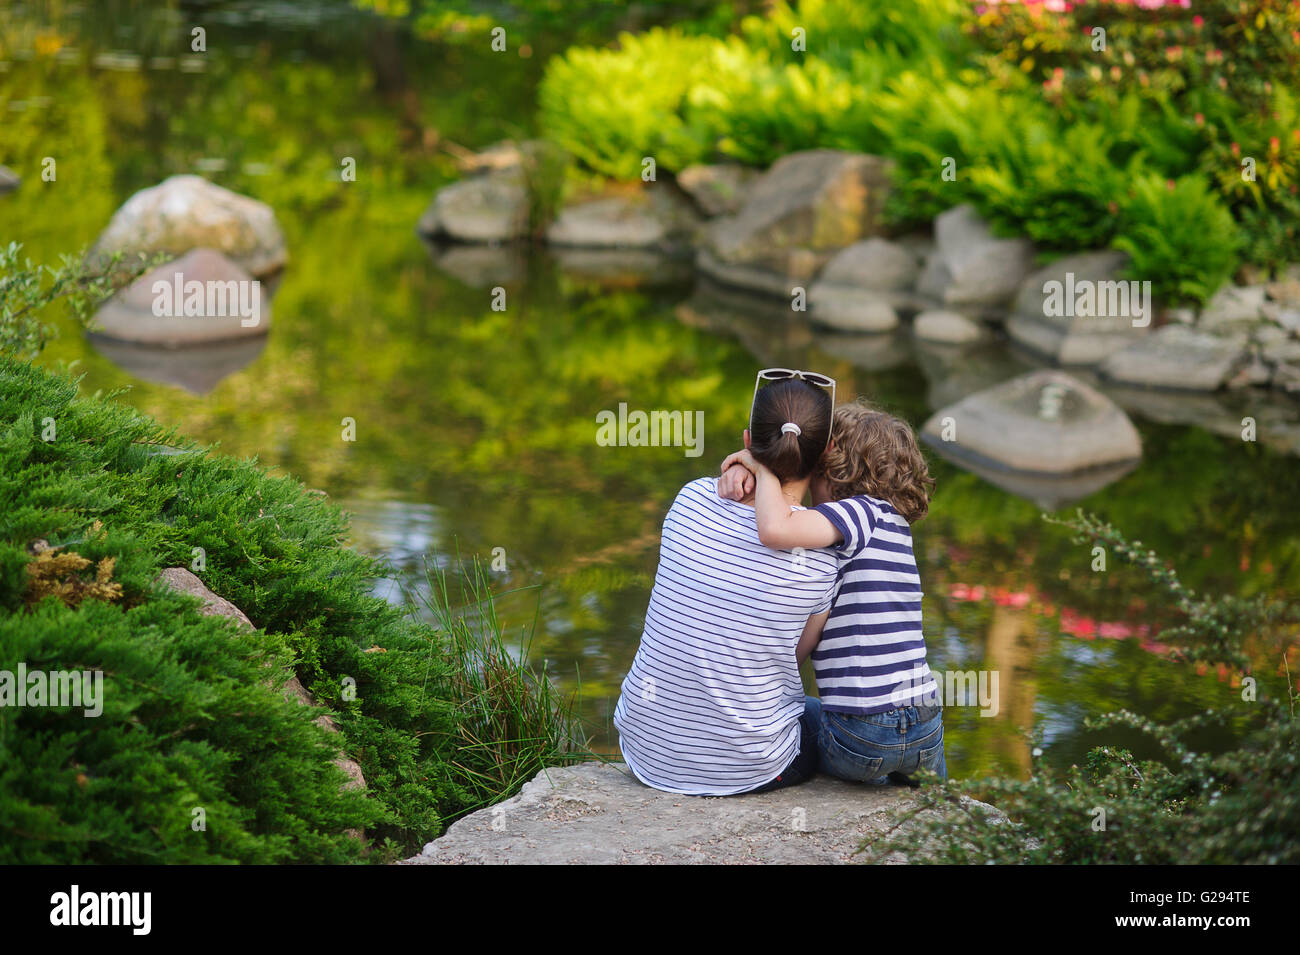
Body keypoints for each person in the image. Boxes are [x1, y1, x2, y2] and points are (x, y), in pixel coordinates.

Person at [613, 373, 838, 796]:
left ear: (748, 439)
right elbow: (790, 660)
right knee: (829, 719)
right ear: (826, 452)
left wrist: (753, 464)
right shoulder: (822, 563)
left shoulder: (690, 499)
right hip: (747, 768)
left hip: (643, 747)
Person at [718, 401, 946, 784]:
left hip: (860, 737)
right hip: (926, 725)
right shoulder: (893, 528)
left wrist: (761, 466)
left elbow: (775, 529)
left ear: (834, 472)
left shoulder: (858, 513)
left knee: (801, 712)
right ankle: (940, 808)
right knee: (934, 793)